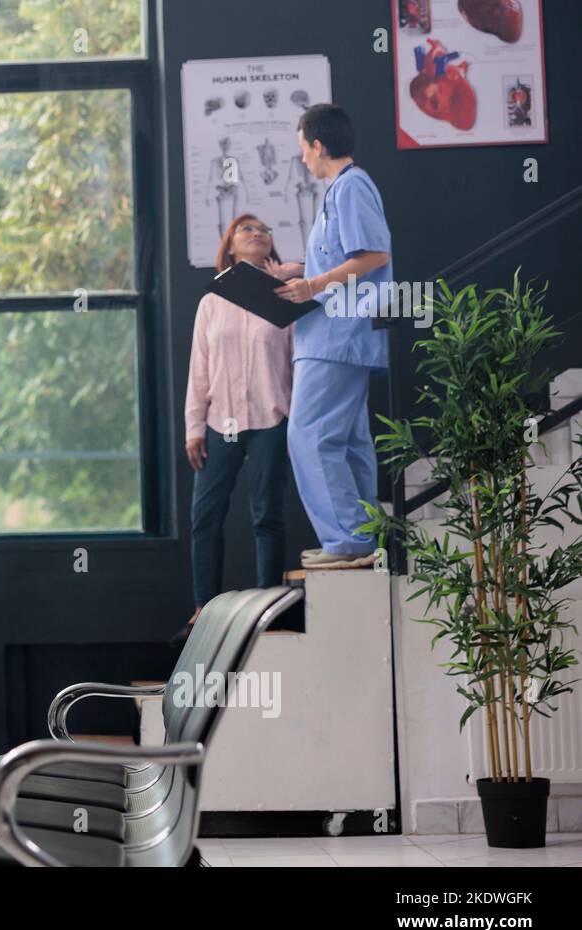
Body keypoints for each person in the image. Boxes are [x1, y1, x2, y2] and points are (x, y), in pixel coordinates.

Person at [272, 103, 391, 569]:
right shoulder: (343, 190)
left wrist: (312, 285)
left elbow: (374, 256)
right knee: (348, 440)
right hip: (335, 336)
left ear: (318, 146)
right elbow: (347, 257)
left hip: (335, 338)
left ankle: (347, 542)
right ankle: (364, 536)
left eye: (303, 149)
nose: (302, 159)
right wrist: (303, 271)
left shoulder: (351, 187)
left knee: (310, 436)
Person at [182, 215, 293, 631]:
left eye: (265, 230)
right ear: (230, 246)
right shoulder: (212, 302)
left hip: (271, 417)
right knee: (206, 516)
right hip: (220, 420)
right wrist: (194, 427)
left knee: (267, 514)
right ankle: (203, 608)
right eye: (247, 229)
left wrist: (295, 425)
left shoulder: (287, 296)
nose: (258, 233)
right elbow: (199, 369)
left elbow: (299, 363)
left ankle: (268, 608)